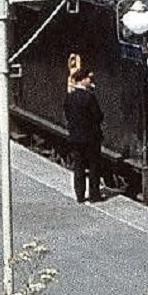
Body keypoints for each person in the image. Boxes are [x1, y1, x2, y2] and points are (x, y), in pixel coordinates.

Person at [64, 68, 105, 203]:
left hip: (75, 136)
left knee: (79, 165)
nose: (91, 81)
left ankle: (80, 195)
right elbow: (98, 116)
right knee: (94, 166)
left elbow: (67, 114)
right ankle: (94, 194)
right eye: (89, 78)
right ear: (83, 79)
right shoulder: (89, 97)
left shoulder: (70, 97)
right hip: (91, 137)